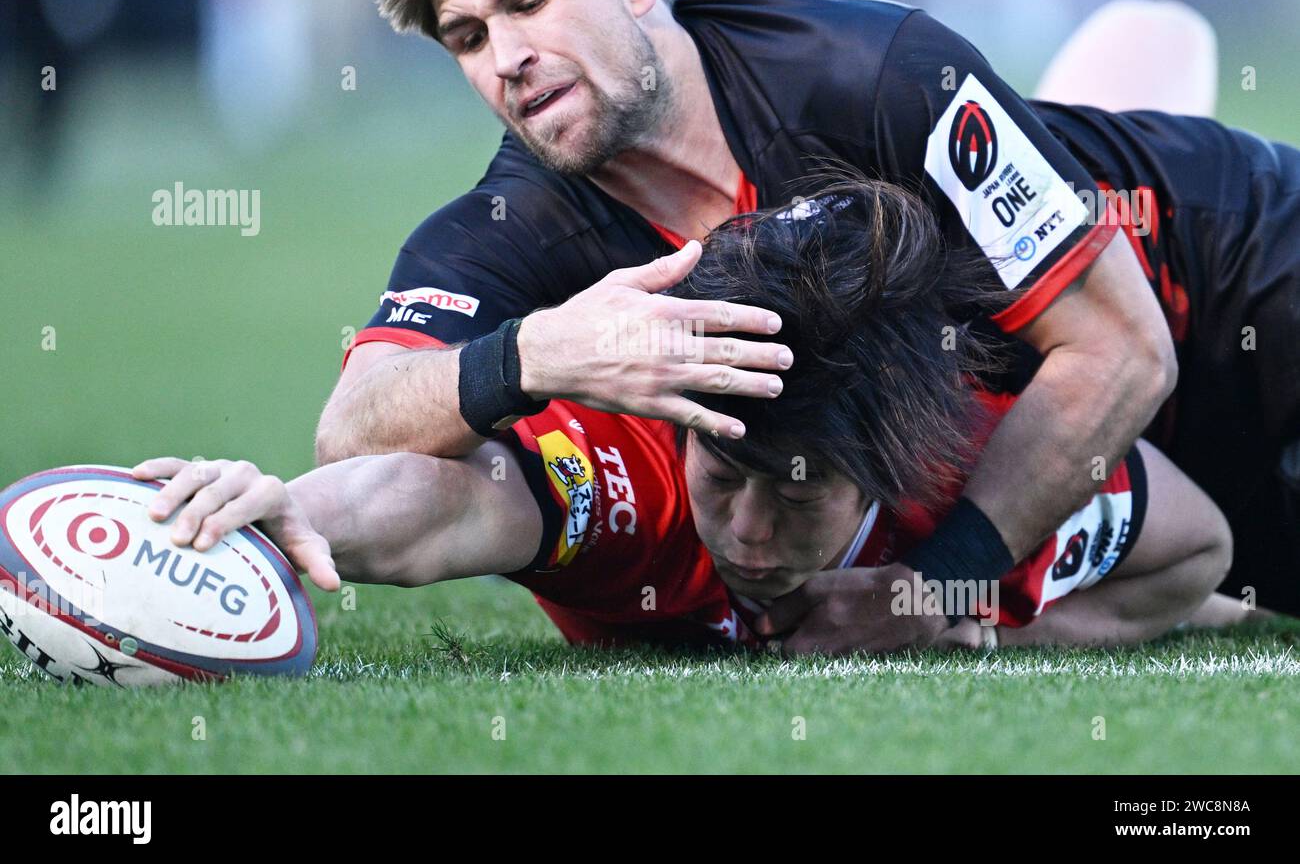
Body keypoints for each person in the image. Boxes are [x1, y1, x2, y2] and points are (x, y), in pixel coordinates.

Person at [318, 0, 1300, 644]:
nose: (508, 58)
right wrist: (527, 355)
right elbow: (350, 428)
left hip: (1239, 278)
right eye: (468, 37)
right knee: (1241, 585)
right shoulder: (513, 228)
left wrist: (932, 586)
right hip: (1095, 444)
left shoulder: (874, 76)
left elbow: (1121, 348)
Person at [138, 180, 1237, 653]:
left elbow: (1197, 548)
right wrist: (288, 517)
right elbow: (439, 501)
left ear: (881, 469)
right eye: (725, 472)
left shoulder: (972, 468)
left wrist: (955, 609)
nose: (748, 532)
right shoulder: (634, 474)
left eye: (799, 495)